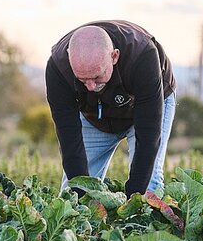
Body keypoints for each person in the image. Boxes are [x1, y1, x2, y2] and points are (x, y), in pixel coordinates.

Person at [45, 19, 176, 199]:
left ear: (114, 56)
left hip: (144, 106)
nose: (90, 86)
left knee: (148, 189)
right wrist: (81, 199)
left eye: (97, 77)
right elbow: (68, 135)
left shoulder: (143, 55)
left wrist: (134, 199)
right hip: (94, 115)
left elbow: (148, 135)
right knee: (73, 193)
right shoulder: (58, 67)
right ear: (69, 58)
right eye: (82, 79)